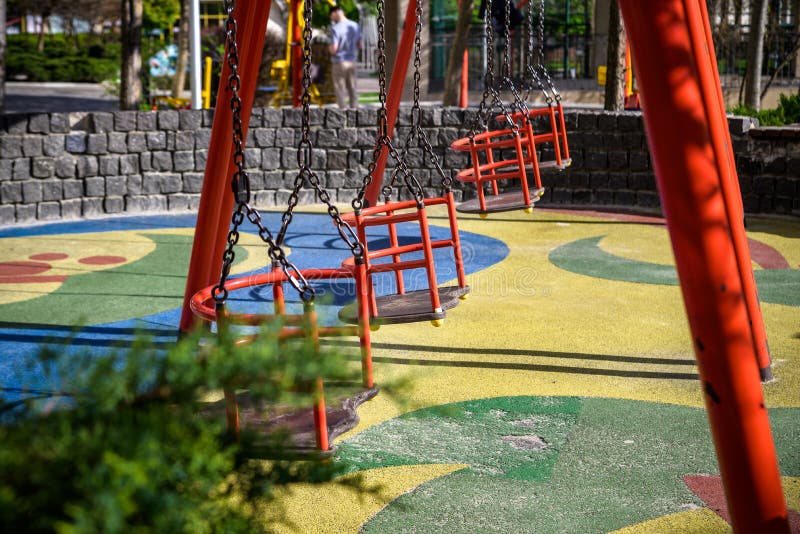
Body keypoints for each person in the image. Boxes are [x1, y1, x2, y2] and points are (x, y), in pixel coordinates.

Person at [328, 5, 362, 109]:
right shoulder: (355, 26)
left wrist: (329, 49)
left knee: (340, 88)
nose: (331, 19)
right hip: (352, 61)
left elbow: (334, 49)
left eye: (331, 16)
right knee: (353, 87)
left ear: (334, 13)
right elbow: (360, 45)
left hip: (339, 61)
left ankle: (342, 112)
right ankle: (355, 110)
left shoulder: (335, 28)